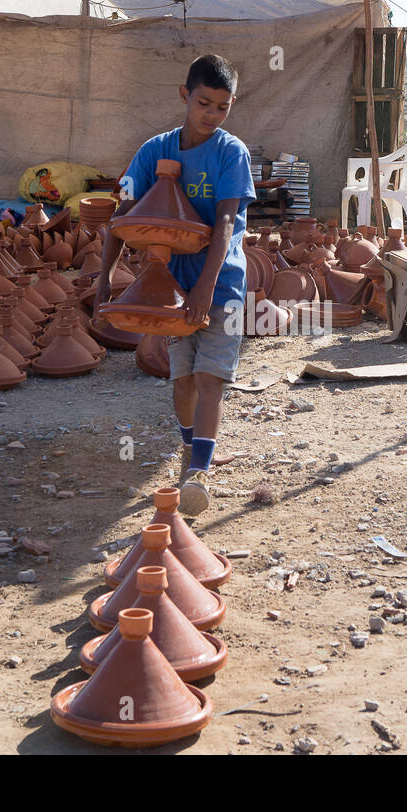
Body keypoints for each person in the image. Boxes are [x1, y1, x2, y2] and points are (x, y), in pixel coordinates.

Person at [95, 54, 255, 518]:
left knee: (210, 378)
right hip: (172, 289)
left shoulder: (231, 152)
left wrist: (207, 287)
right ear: (185, 95)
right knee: (182, 379)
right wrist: (106, 275)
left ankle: (199, 472)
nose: (213, 115)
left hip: (220, 283)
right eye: (205, 103)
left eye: (223, 107)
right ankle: (190, 450)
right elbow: (121, 215)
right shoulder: (153, 152)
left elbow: (226, 223)